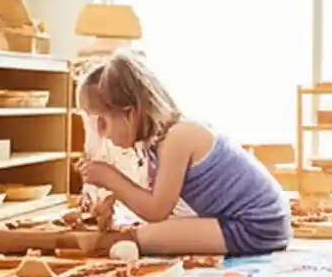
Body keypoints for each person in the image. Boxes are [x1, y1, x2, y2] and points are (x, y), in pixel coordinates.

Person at [75, 51, 291, 255]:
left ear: (129, 113)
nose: (101, 135)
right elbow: (161, 202)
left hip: (258, 225)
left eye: (101, 123)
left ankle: (96, 246)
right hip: (249, 220)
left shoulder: (177, 138)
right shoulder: (156, 144)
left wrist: (110, 178)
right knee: (150, 231)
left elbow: (157, 210)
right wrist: (112, 200)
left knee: (140, 237)